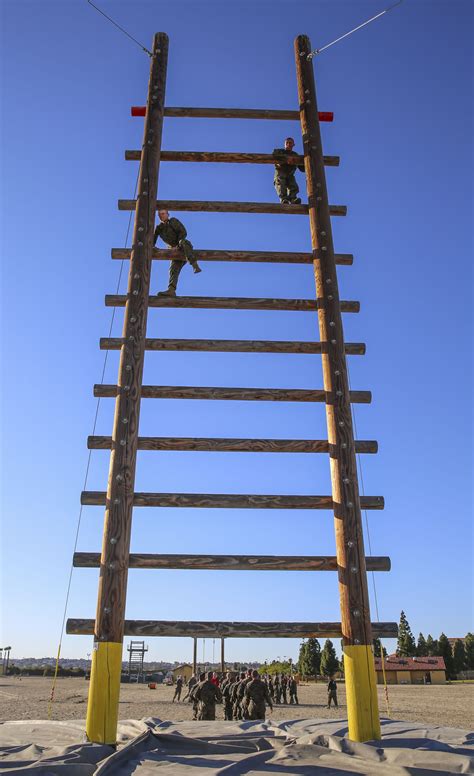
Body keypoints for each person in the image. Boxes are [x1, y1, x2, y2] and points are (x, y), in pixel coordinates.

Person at [154, 209, 201, 297]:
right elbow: (153, 239)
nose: (161, 216)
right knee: (173, 269)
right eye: (159, 215)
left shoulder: (173, 221)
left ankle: (195, 265)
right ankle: (171, 290)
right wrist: (152, 247)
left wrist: (178, 246)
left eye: (163, 214)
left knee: (183, 242)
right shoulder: (159, 228)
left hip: (183, 246)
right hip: (174, 251)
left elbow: (183, 232)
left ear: (168, 214)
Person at [272, 137, 305, 204]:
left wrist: (306, 162)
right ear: (284, 144)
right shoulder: (280, 151)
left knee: (293, 185)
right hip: (280, 171)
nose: (288, 144)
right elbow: (274, 154)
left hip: (290, 174)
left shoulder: (295, 155)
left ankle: (293, 198)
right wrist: (286, 159)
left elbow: (302, 168)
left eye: (290, 143)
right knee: (281, 182)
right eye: (287, 143)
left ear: (293, 145)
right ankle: (284, 199)